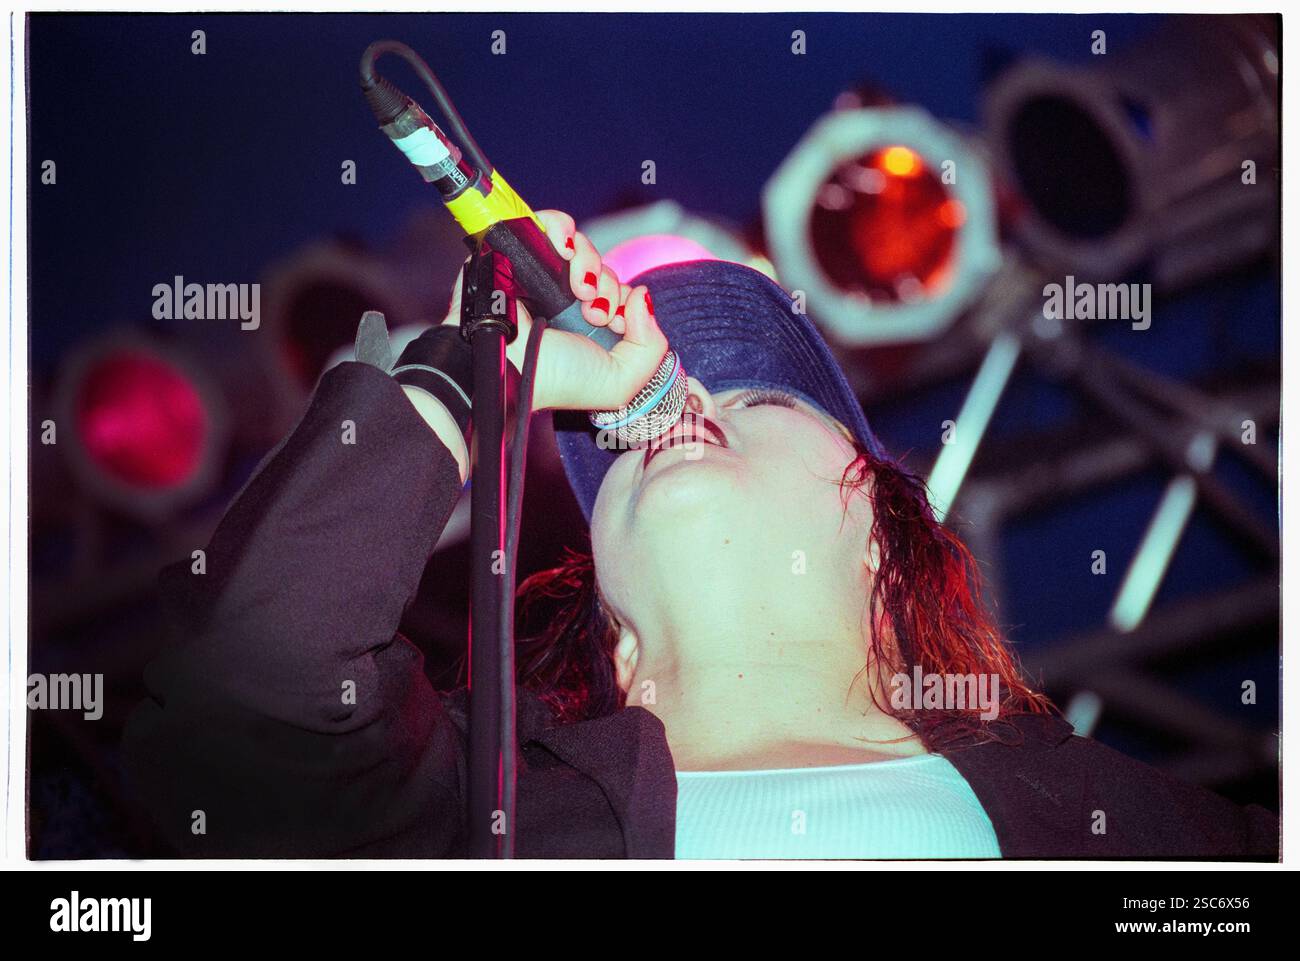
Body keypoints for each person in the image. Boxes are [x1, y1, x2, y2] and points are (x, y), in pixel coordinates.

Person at [122, 211, 1279, 860]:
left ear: (884, 551)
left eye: (763, 400)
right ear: (618, 647)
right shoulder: (480, 825)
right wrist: (486, 369)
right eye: (618, 439)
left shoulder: (1163, 843)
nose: (681, 412)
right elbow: (242, 700)